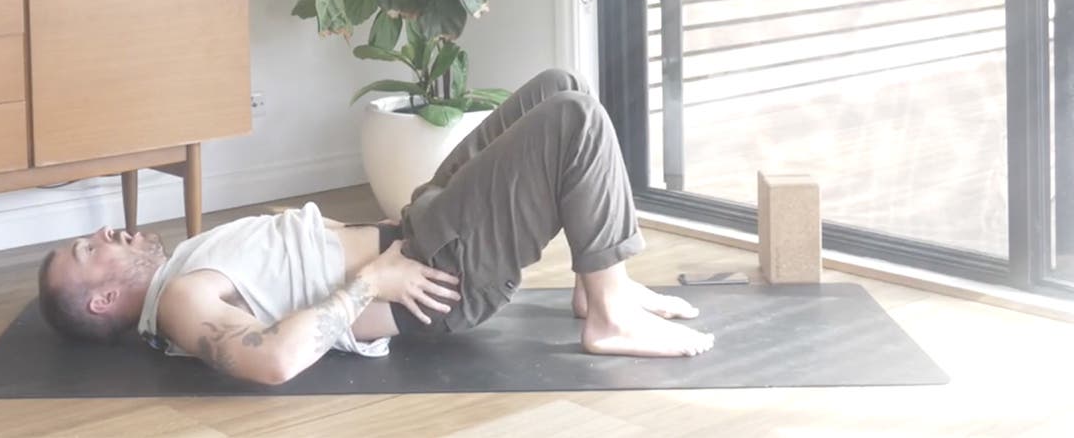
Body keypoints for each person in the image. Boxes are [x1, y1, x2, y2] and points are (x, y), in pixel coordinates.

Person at [37, 68, 715, 385]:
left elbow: (292, 257)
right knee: (574, 121)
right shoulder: (181, 303)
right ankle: (610, 319)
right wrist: (372, 281)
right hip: (435, 275)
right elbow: (272, 362)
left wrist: (369, 232)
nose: (106, 232)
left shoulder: (185, 264)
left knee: (559, 86)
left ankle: (599, 287)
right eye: (88, 249)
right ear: (103, 300)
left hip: (413, 230)